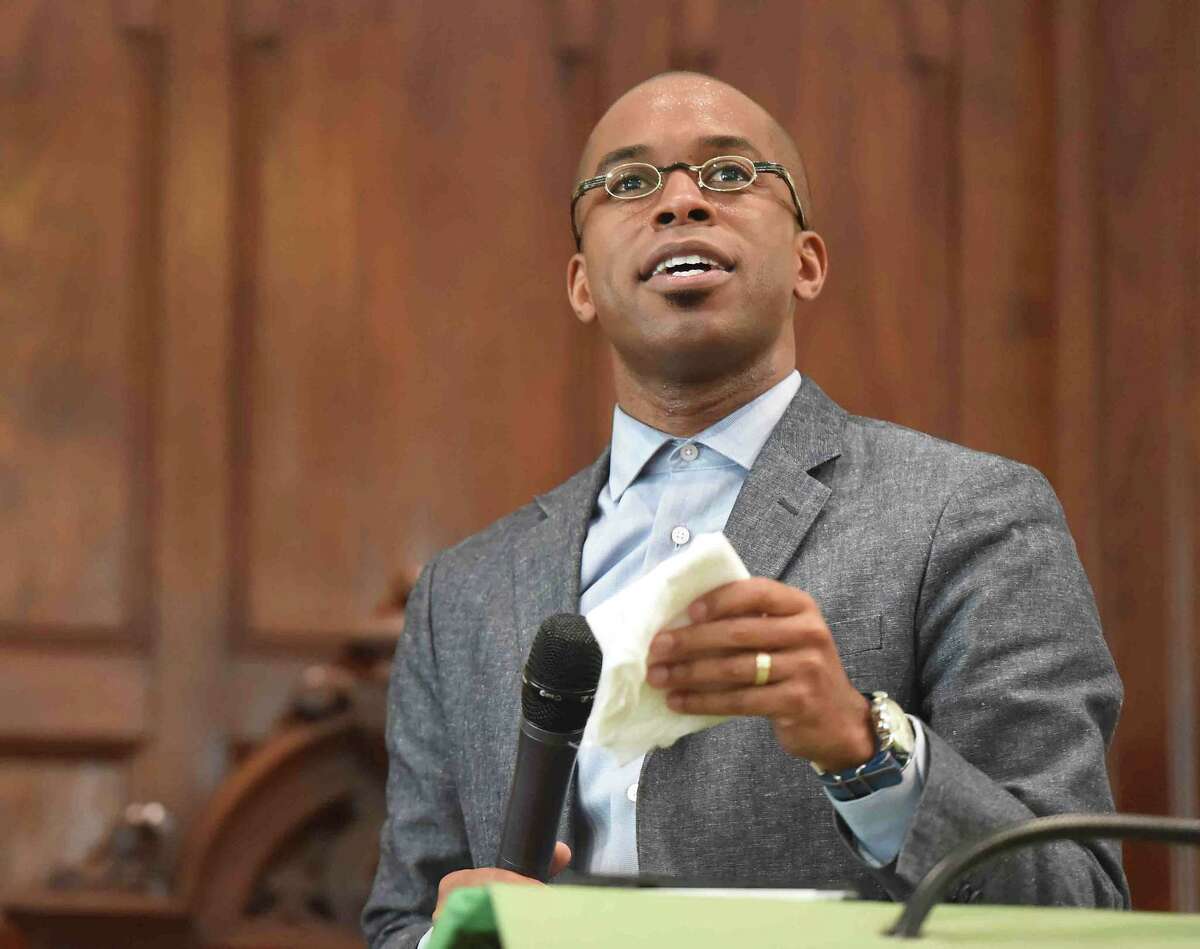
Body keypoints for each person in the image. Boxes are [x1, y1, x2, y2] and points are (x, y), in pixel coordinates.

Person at [362, 72, 1129, 949]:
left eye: (728, 175)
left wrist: (861, 742)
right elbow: (403, 915)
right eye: (627, 183)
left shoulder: (973, 515)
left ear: (807, 262)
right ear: (581, 285)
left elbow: (1078, 909)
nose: (681, 200)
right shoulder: (463, 592)